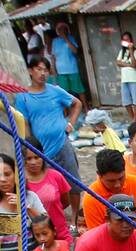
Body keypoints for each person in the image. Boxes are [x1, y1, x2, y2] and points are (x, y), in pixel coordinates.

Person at [14, 54, 83, 185]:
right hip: (43, 150)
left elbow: (77, 104)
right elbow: (25, 123)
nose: (43, 73)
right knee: (49, 184)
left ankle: (76, 207)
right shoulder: (22, 97)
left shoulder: (55, 91)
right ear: (30, 71)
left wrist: (70, 124)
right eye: (39, 69)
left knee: (74, 182)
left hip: (62, 143)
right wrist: (30, 147)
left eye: (45, 70)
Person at [23, 136, 78, 247]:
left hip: (61, 235)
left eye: (36, 157)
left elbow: (65, 201)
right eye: (29, 159)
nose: (33, 162)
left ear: (42, 156)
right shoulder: (20, 182)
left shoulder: (56, 176)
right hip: (36, 239)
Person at [81, 149, 136, 232]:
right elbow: (98, 236)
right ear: (99, 175)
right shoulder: (91, 199)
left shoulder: (134, 183)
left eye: (121, 178)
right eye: (111, 181)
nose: (117, 185)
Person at [50, 22, 89, 112]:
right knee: (64, 92)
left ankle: (86, 107)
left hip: (72, 69)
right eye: (59, 29)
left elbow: (75, 51)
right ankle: (66, 111)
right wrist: (54, 69)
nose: (61, 31)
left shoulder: (71, 39)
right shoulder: (55, 41)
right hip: (61, 71)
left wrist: (66, 39)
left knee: (79, 89)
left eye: (63, 29)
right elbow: (53, 57)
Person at [116, 31, 136, 122]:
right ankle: (132, 118)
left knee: (135, 100)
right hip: (124, 79)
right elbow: (118, 62)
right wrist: (129, 65)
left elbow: (135, 64)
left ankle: (135, 118)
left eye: (127, 39)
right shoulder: (121, 51)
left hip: (134, 78)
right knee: (126, 101)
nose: (126, 41)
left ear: (131, 40)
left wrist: (131, 50)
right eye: (124, 40)